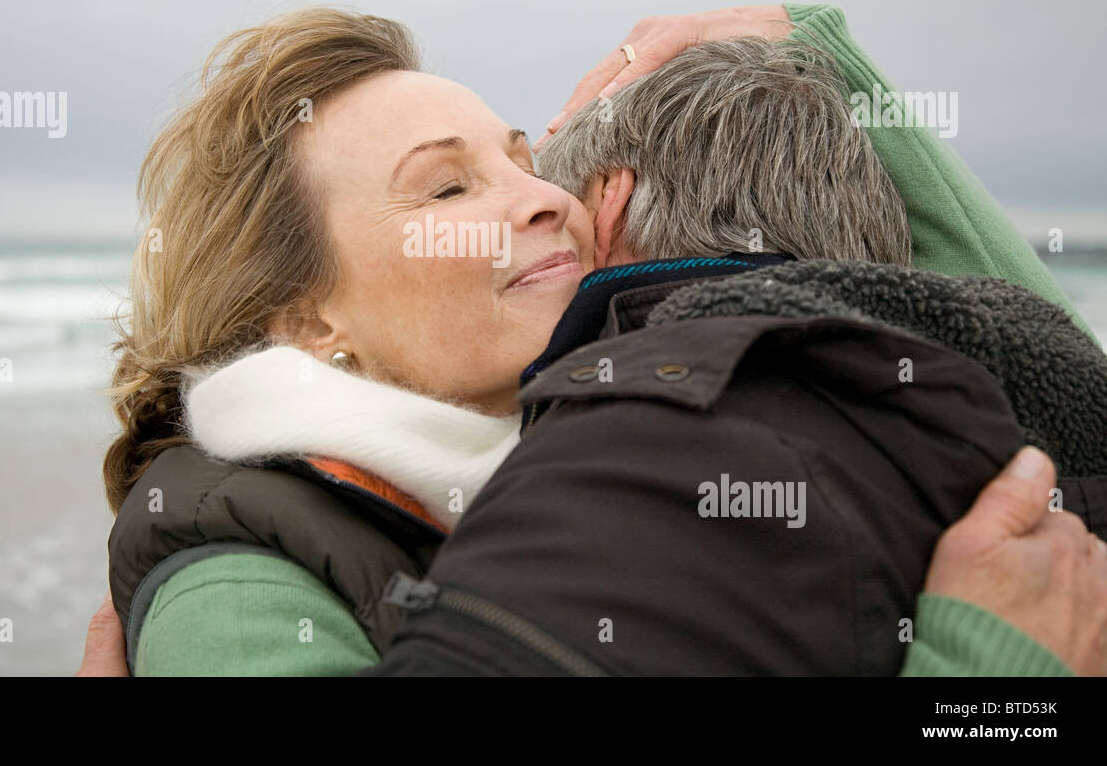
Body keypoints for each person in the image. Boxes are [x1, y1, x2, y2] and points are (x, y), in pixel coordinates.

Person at [88, 3, 1099, 676]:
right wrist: (990, 670)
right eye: (449, 186)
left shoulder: (597, 450)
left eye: (523, 158)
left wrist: (814, 46)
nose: (541, 199)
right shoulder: (235, 569)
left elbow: (1028, 364)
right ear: (311, 317)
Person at [366, 36, 1107, 674]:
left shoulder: (634, 454)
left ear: (610, 205)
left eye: (545, 187)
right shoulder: (1033, 419)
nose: (536, 215)